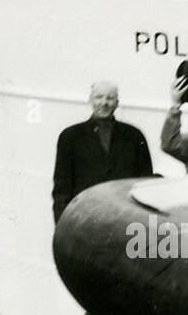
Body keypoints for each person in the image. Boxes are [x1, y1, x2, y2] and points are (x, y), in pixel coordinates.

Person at [51, 81, 152, 224]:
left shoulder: (134, 136)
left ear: (117, 103)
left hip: (124, 222)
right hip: (83, 222)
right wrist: (62, 228)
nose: (104, 103)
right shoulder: (70, 137)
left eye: (110, 98)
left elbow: (145, 184)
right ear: (90, 100)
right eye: (99, 97)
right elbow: (61, 190)